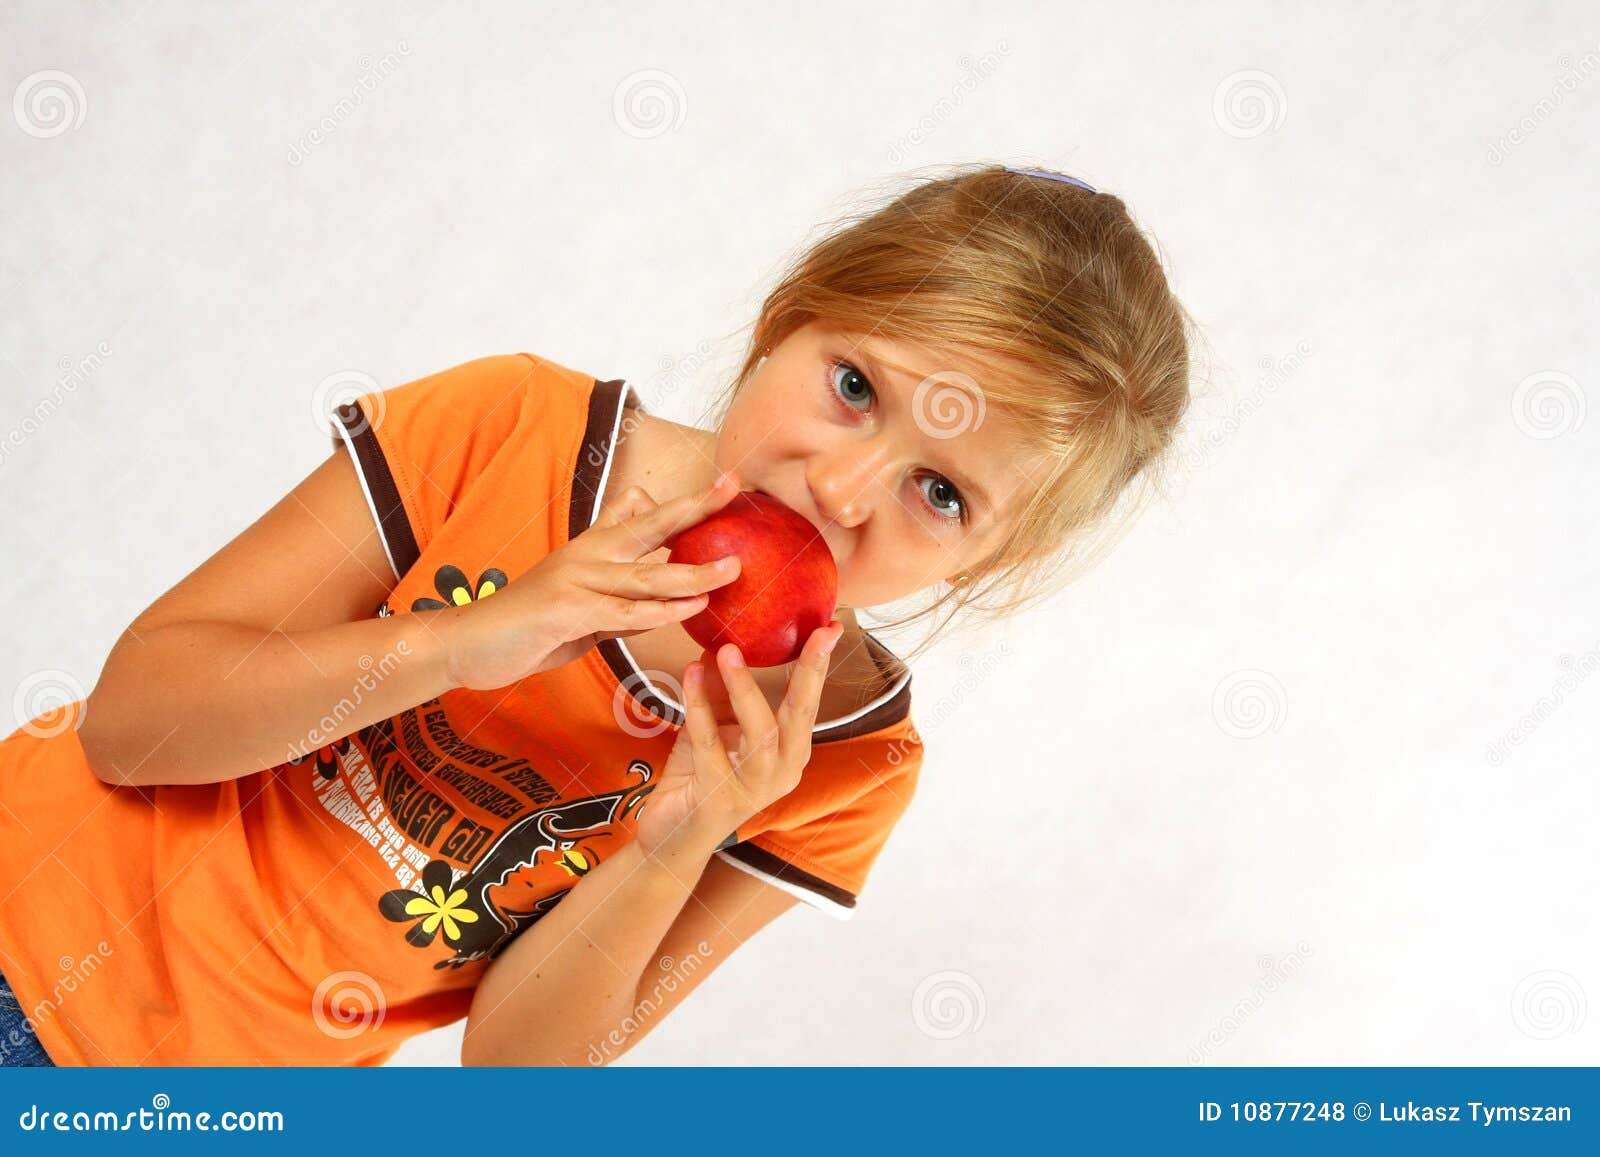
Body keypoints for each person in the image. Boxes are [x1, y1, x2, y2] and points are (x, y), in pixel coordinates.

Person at [0, 162, 1195, 1066]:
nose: (840, 492)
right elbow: (133, 722)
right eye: (852, 388)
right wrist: (471, 637)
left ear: (997, 554)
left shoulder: (843, 766)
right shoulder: (506, 426)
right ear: (789, 316)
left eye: (940, 492)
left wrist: (681, 838)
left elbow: (515, 1078)